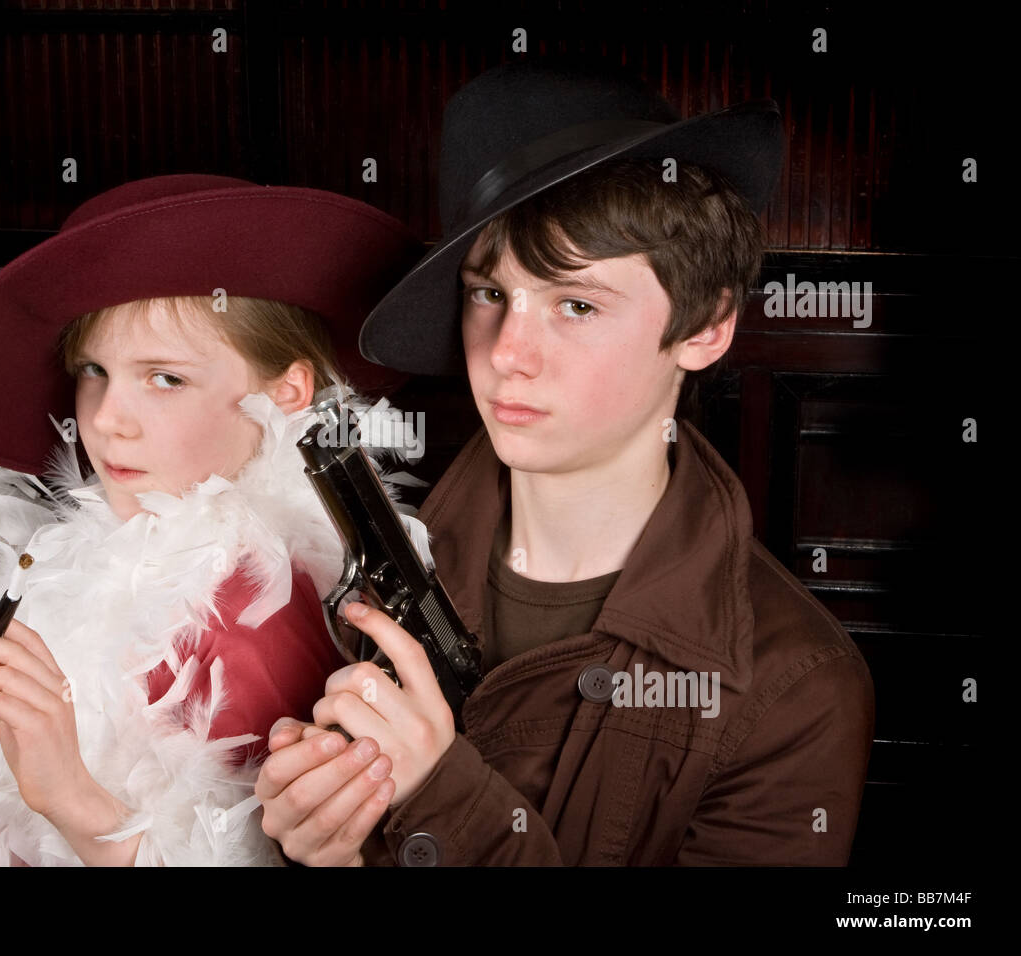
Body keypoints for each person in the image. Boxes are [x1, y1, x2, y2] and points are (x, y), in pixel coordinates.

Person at [254, 61, 877, 866]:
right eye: (489, 293)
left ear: (707, 326)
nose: (509, 354)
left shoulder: (796, 691)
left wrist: (441, 798)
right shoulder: (345, 569)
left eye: (575, 304)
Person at [0, 174, 422, 866]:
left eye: (165, 378)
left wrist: (69, 796)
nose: (104, 419)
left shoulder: (253, 617)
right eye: (94, 370)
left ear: (284, 393)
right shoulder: (105, 545)